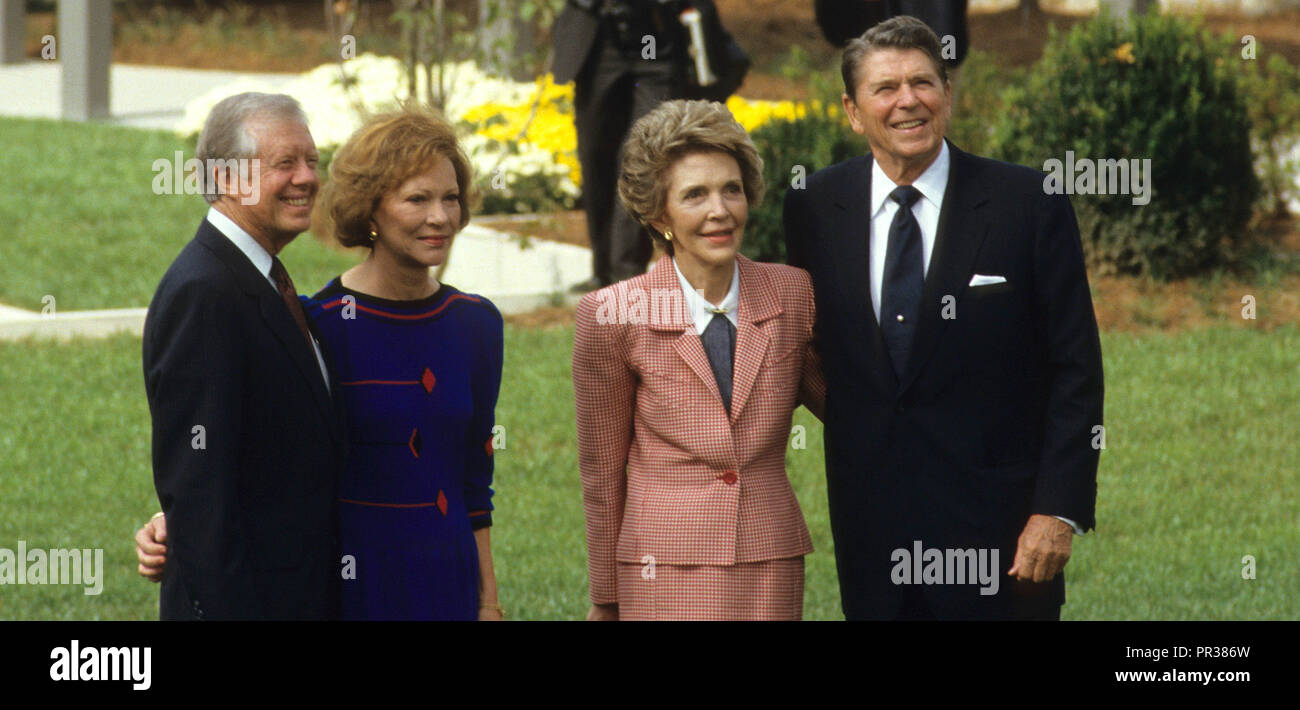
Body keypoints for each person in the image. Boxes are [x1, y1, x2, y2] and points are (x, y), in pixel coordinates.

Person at [783, 16, 1104, 620]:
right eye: (886, 88)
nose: (908, 100)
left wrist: (1056, 511)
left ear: (948, 95)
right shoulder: (815, 207)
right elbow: (813, 348)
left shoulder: (1029, 205)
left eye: (924, 82)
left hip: (1001, 534)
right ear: (853, 112)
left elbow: (1076, 371)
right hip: (872, 532)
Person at [138, 107, 505, 621]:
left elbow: (473, 477)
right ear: (370, 209)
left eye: (450, 198)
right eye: (417, 199)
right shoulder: (316, 321)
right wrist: (174, 519)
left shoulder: (477, 325)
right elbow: (224, 459)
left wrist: (489, 600)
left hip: (446, 577)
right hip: (352, 584)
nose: (440, 216)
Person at [573, 99, 826, 621]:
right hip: (661, 562)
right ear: (658, 214)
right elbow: (601, 470)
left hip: (769, 557)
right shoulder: (613, 313)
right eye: (696, 195)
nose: (720, 211)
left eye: (731, 189)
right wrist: (606, 594)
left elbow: (853, 409)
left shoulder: (793, 293)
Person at [141, 92, 345, 620]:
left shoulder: (259, 276)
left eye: (311, 161)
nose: (306, 178)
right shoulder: (206, 292)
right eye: (285, 163)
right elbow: (199, 492)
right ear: (228, 179)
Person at [552, 0, 690, 291]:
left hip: (657, 35)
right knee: (595, 155)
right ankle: (602, 271)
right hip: (599, 36)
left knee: (643, 156)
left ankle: (626, 273)